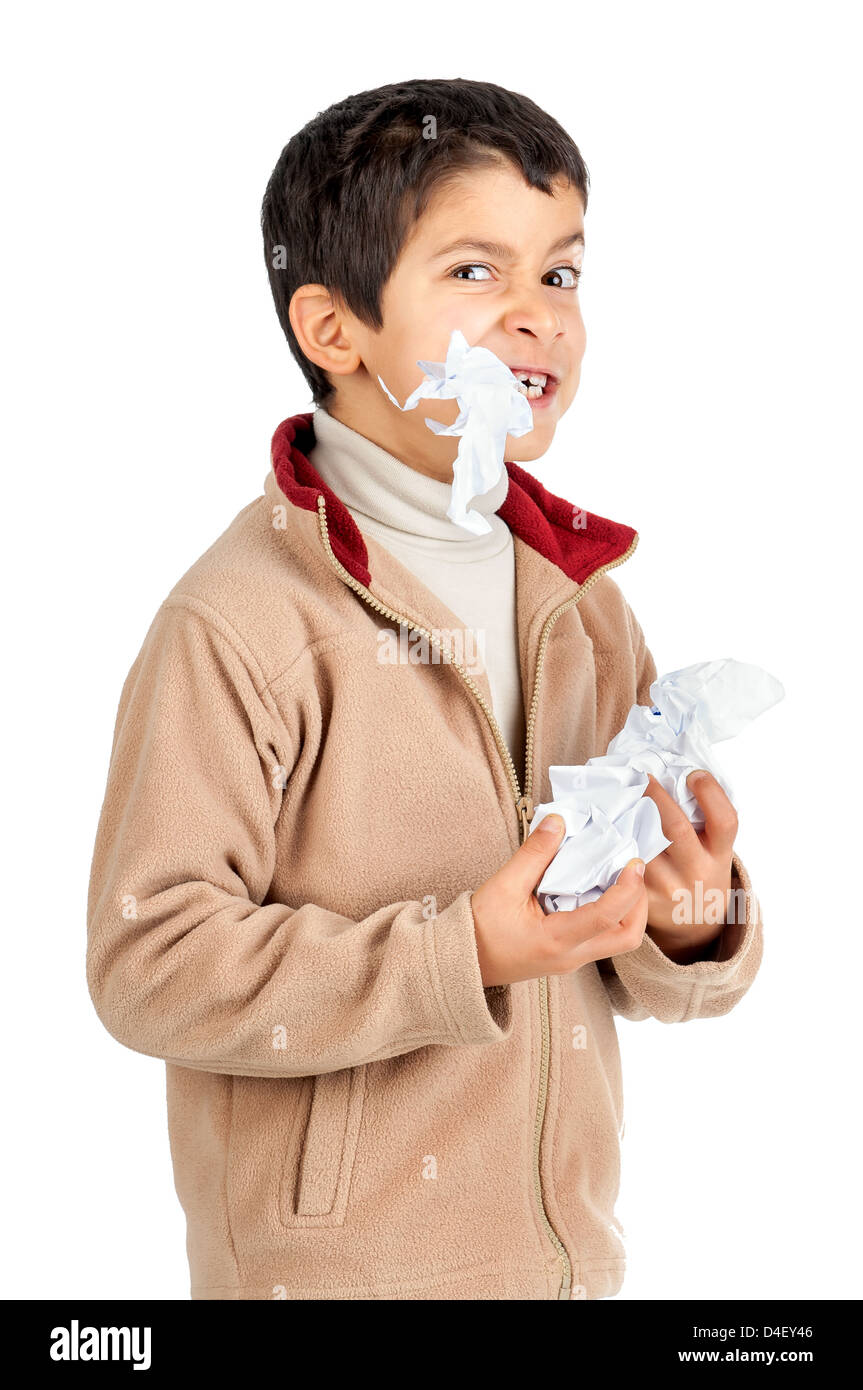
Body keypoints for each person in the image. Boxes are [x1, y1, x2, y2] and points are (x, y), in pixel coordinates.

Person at [86, 77, 763, 1301]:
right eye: (474, 275)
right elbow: (150, 963)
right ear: (333, 329)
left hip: (561, 1274)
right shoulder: (240, 622)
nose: (537, 320)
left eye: (557, 276)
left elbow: (631, 959)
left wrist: (684, 910)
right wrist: (459, 954)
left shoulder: (584, 607)